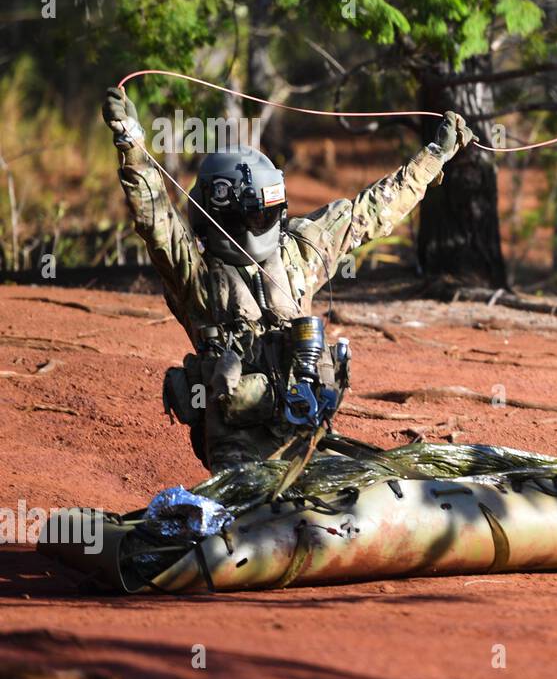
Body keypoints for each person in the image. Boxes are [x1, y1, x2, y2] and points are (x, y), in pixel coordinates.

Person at [101, 86, 475, 470]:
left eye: (264, 215)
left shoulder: (300, 251)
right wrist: (130, 141)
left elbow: (375, 208)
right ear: (216, 214)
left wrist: (435, 156)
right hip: (236, 441)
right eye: (246, 217)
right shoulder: (194, 275)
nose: (255, 226)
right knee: (255, 515)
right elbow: (154, 219)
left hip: (306, 429)